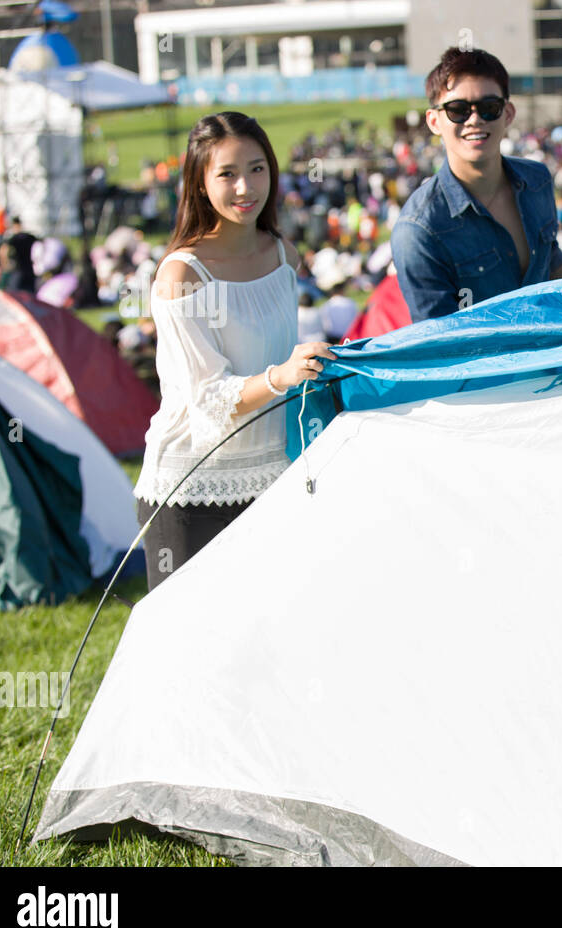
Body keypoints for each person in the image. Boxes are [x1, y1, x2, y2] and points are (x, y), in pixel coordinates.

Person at [135, 111, 334, 591]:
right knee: (188, 648)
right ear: (200, 183)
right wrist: (281, 376)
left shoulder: (284, 254)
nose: (245, 187)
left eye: (257, 168)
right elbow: (206, 401)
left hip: (274, 474)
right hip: (190, 487)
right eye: (227, 173)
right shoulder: (181, 274)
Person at [389, 47, 562, 321]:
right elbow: (437, 343)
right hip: (486, 363)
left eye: (489, 108)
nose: (475, 120)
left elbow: (550, 260)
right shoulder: (419, 231)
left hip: (554, 356)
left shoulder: (537, 180)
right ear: (434, 121)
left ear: (508, 114)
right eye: (457, 110)